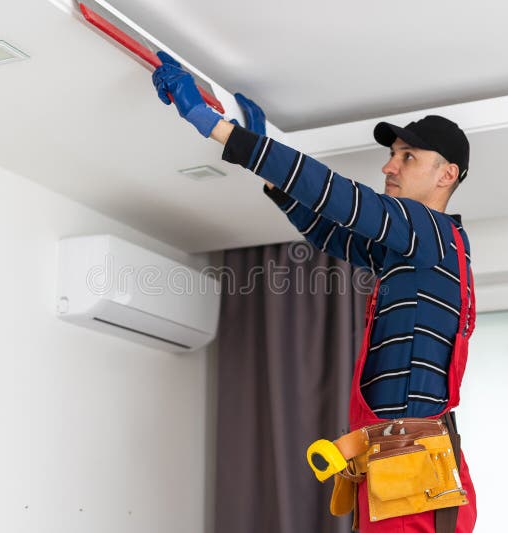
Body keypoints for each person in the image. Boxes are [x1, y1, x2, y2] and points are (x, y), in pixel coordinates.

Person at [151, 51, 477, 533]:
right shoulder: (427, 248)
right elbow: (331, 233)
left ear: (446, 175)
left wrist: (218, 129)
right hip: (407, 473)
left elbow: (336, 196)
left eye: (408, 157)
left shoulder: (422, 227)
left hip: (411, 479)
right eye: (392, 154)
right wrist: (263, 162)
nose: (390, 166)